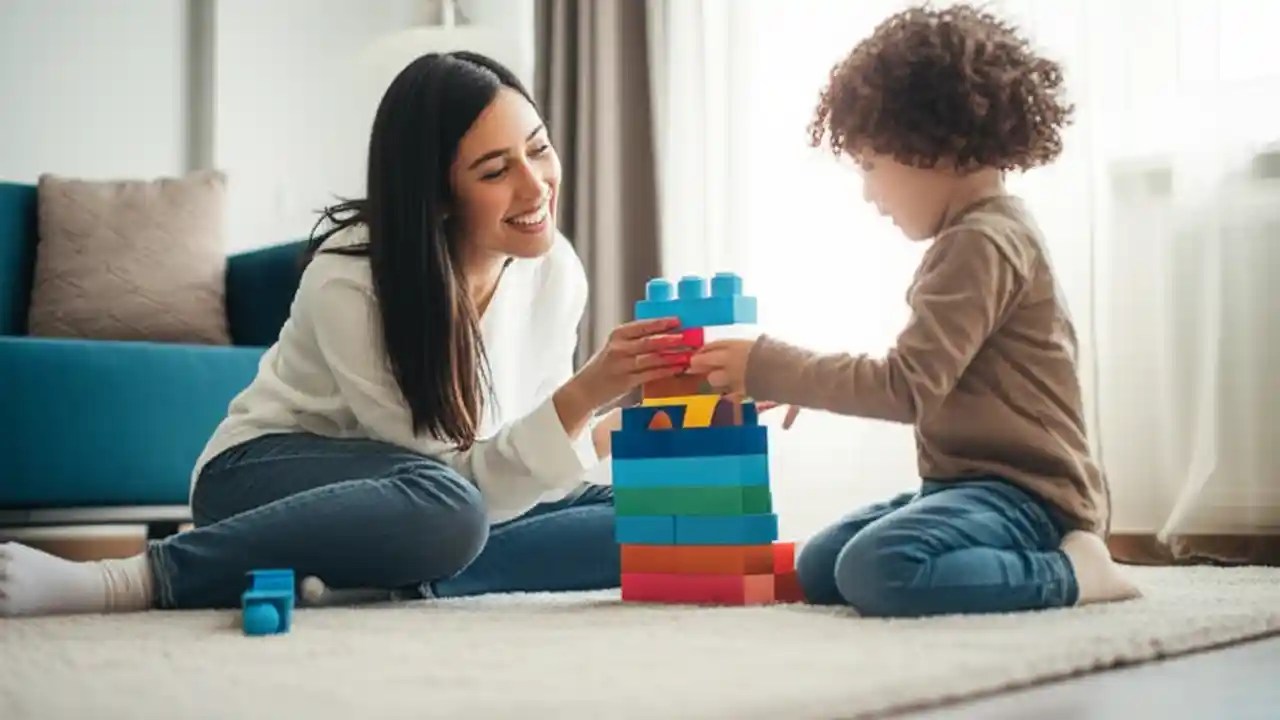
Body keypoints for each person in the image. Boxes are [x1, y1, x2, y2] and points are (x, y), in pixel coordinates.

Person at [0, 51, 688, 617]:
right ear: (438, 195)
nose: (536, 185)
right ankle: (134, 580)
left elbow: (514, 452)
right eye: (495, 170)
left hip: (436, 502)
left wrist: (617, 425)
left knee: (657, 518)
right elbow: (455, 479)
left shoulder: (555, 271)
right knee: (448, 511)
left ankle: (387, 584)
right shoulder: (353, 282)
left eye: (538, 150)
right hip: (268, 478)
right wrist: (589, 387)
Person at [690, 4, 1141, 617]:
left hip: (1032, 497)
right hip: (963, 485)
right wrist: (789, 377)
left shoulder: (983, 242)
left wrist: (773, 366)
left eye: (872, 166)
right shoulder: (977, 234)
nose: (870, 194)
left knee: (877, 570)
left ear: (939, 146)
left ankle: (1073, 571)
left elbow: (906, 388)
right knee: (822, 567)